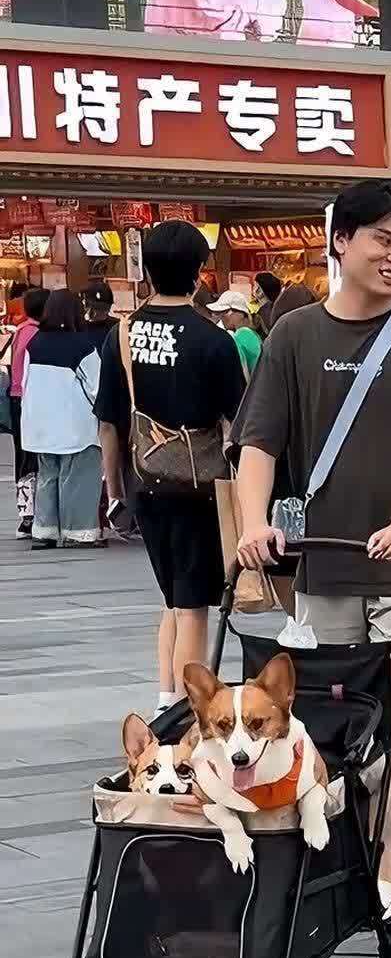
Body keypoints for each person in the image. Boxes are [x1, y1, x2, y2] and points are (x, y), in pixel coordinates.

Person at [234, 180, 391, 955]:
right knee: (331, 728)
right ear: (342, 241)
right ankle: (354, 875)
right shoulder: (294, 335)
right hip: (326, 569)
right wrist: (252, 524)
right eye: (384, 240)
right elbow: (259, 444)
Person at [98, 223, 247, 710]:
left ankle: (166, 696)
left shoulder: (119, 335)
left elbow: (108, 423)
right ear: (200, 272)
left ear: (147, 271)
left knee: (172, 597)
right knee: (193, 605)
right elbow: (241, 423)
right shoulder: (213, 339)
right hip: (197, 486)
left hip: (146, 484)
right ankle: (189, 706)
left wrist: (116, 488)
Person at [22, 291, 104, 549]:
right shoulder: (83, 345)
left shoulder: (34, 345)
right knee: (77, 476)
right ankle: (78, 532)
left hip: (40, 425)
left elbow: (25, 383)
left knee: (47, 475)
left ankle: (44, 531)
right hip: (75, 424)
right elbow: (96, 387)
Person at [6, 286, 46, 537]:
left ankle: (25, 513)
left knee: (23, 457)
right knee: (33, 458)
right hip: (29, 401)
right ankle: (30, 516)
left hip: (16, 400)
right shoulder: (35, 334)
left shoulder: (21, 331)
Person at [207, 290, 264, 378]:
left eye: (225, 312)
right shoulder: (251, 334)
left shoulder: (242, 335)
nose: (221, 316)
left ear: (240, 313)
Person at [253, 271, 283, 338]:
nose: (253, 288)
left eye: (255, 285)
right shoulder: (278, 306)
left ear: (259, 290)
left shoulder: (263, 311)